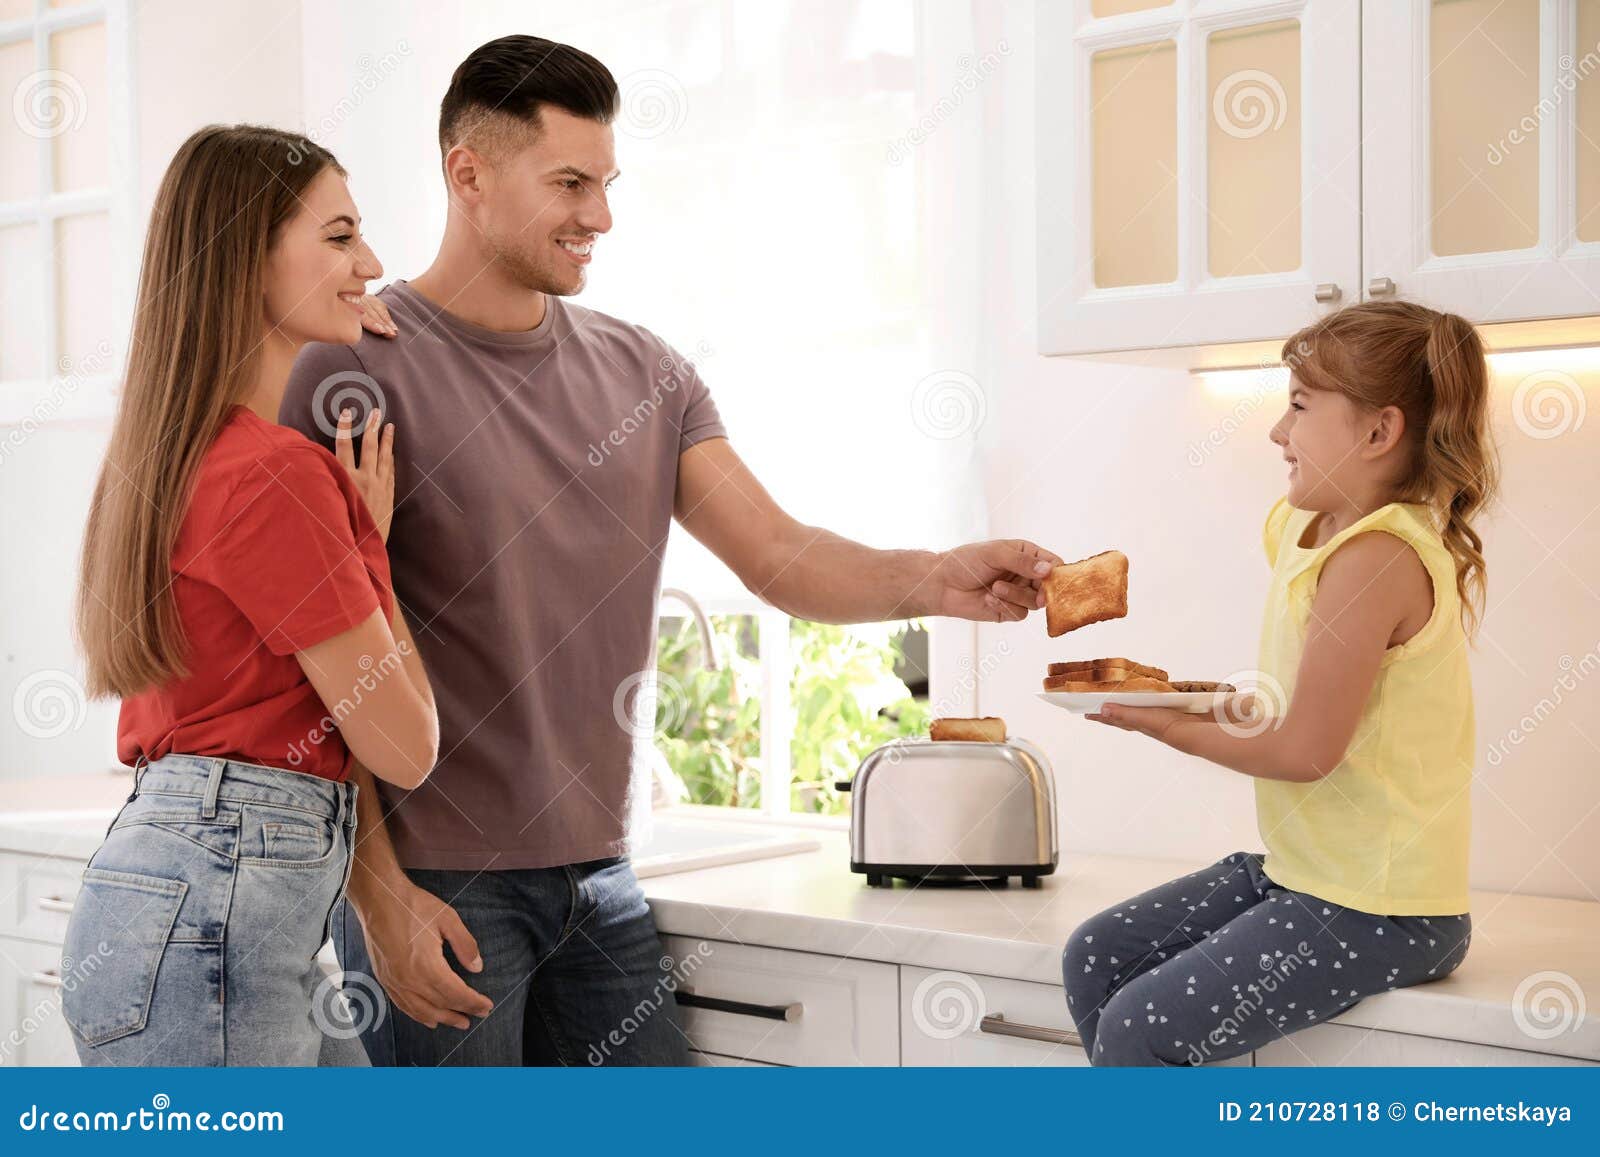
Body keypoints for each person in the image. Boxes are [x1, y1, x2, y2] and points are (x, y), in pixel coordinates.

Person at [282, 35, 1063, 1066]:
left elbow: (779, 553)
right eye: (568, 182)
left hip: (599, 879)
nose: (598, 216)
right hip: (441, 883)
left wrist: (938, 576)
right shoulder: (350, 370)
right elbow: (312, 670)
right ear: (467, 173)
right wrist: (377, 896)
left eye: (605, 183)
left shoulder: (644, 372)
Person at [61, 124, 438, 1066]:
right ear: (246, 258)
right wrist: (369, 550)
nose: (373, 262)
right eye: (341, 236)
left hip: (190, 899)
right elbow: (407, 744)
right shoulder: (275, 474)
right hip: (214, 920)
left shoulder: (177, 455)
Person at [1062, 300, 1497, 1065]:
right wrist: (1199, 701)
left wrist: (1164, 725)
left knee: (1138, 1028)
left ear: (1378, 431)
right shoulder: (1303, 530)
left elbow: (1306, 749)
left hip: (1384, 907)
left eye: (1298, 405)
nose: (1275, 431)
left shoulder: (1377, 561)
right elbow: (1314, 704)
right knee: (1094, 955)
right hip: (1306, 876)